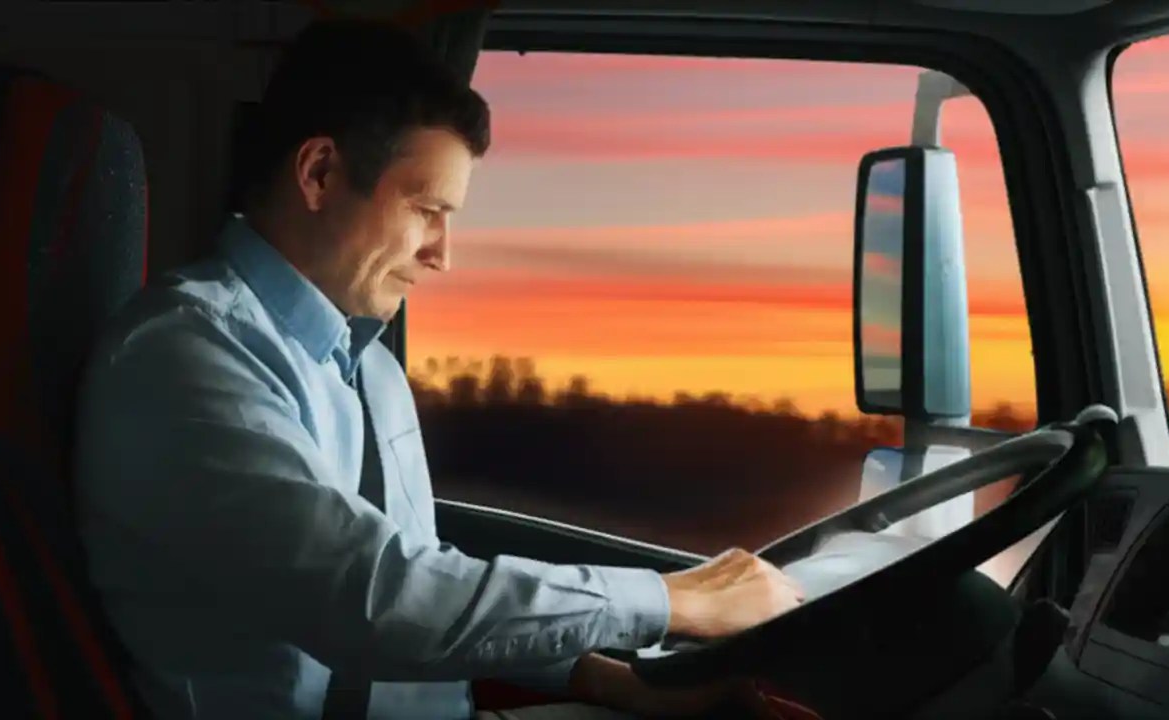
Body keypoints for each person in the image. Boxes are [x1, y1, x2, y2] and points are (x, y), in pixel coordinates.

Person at [73, 17, 805, 720]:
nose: (443, 254)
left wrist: (605, 679)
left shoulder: (369, 369)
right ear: (320, 174)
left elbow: (423, 578)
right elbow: (377, 598)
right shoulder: (182, 355)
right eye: (426, 209)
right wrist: (677, 601)